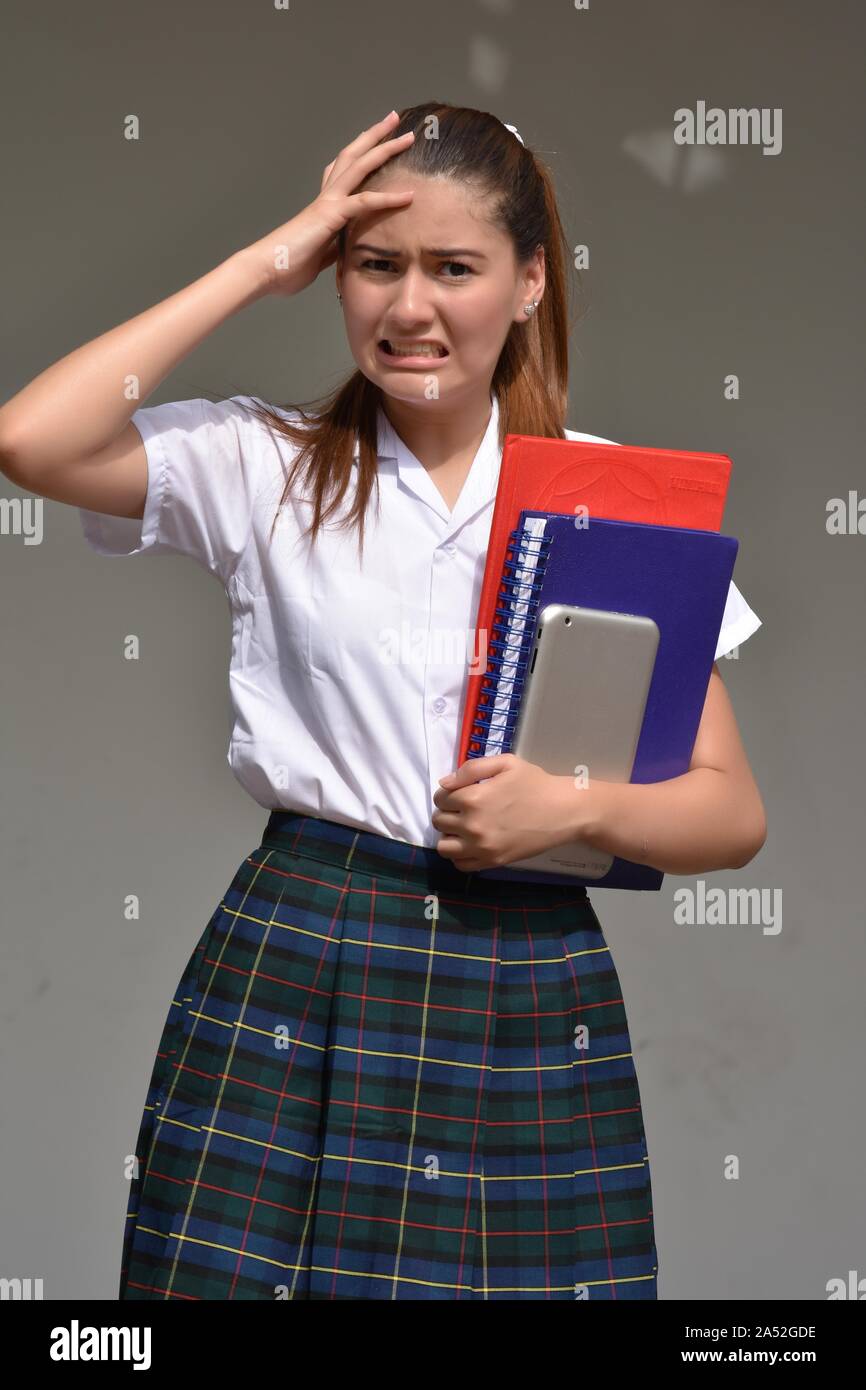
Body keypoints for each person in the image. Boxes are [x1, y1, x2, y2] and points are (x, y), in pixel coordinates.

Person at [0, 102, 767, 1301]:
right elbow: (32, 439)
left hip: (524, 980)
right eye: (374, 266)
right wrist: (268, 259)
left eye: (453, 268)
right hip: (300, 955)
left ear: (526, 284)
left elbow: (728, 814)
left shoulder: (613, 500)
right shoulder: (265, 461)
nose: (409, 307)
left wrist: (564, 809)